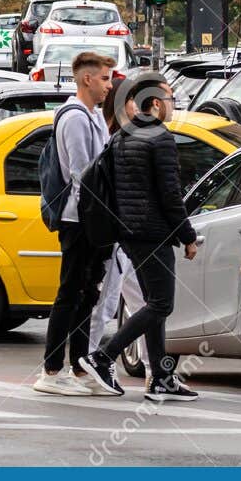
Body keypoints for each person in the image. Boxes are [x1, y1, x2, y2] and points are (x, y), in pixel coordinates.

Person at [79, 74, 200, 402]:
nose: (175, 105)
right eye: (172, 99)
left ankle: (160, 376)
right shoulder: (159, 137)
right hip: (153, 232)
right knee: (162, 303)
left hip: (129, 234)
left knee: (153, 305)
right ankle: (103, 355)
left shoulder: (122, 136)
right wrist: (187, 236)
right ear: (157, 104)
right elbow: (171, 196)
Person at [35, 50, 117, 396]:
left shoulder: (94, 116)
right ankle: (52, 371)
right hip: (78, 218)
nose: (109, 86)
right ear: (87, 79)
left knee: (87, 293)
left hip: (92, 218)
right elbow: (83, 173)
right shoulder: (74, 118)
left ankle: (79, 366)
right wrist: (97, 219)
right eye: (104, 78)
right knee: (70, 292)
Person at [89, 79, 149, 381]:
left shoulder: (122, 135)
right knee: (106, 303)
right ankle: (87, 365)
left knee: (142, 302)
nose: (136, 108)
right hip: (114, 233)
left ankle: (156, 369)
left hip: (127, 234)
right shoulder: (106, 136)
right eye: (132, 101)